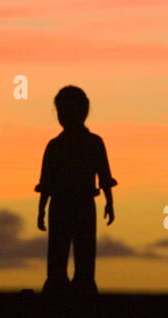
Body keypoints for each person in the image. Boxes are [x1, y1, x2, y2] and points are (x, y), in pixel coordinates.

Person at [36, 86, 116, 295]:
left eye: (69, 110)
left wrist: (110, 202)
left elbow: (104, 177)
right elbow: (47, 182)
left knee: (84, 255)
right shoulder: (56, 146)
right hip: (64, 206)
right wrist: (42, 209)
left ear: (83, 111)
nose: (65, 115)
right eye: (62, 111)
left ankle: (80, 289)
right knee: (58, 255)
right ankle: (59, 289)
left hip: (81, 205)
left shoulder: (92, 143)